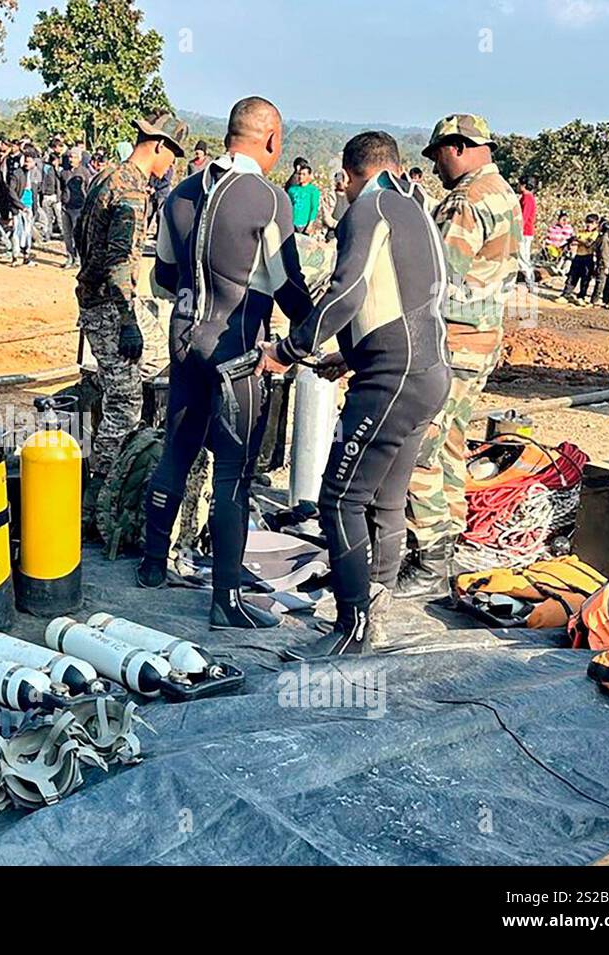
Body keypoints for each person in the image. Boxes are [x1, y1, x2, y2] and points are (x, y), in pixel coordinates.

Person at [259, 132, 451, 653]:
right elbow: (411, 296)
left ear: (346, 176)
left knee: (339, 499)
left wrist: (289, 349)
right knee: (386, 500)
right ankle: (378, 599)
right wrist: (351, 354)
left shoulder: (368, 211)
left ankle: (352, 627)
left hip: (393, 378)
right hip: (429, 371)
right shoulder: (418, 208)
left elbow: (346, 293)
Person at [136, 97, 312, 631]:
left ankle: (150, 566)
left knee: (177, 451)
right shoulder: (268, 198)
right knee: (235, 475)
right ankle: (225, 601)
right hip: (237, 351)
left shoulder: (182, 192)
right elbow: (287, 283)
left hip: (184, 341)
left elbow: (163, 277)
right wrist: (313, 335)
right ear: (272, 141)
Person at [395, 114, 523, 599]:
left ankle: (428, 558)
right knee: (452, 444)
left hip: (453, 342)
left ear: (458, 147)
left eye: (439, 156)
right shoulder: (504, 194)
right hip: (482, 340)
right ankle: (446, 547)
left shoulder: (466, 202)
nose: (436, 168)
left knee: (422, 446)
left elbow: (435, 279)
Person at [76, 113, 186, 503]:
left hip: (95, 297)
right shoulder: (132, 192)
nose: (170, 166)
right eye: (171, 156)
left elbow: (81, 236)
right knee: (125, 402)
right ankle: (101, 495)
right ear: (158, 146)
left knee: (127, 386)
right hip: (111, 304)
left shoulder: (107, 176)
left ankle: (105, 483)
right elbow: (121, 261)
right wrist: (127, 322)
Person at [59, 146, 92, 269]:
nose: (71, 159)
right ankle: (69, 257)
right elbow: (60, 187)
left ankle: (78, 259)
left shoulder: (84, 172)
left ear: (79, 158)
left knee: (76, 234)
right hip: (65, 206)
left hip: (78, 208)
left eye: (73, 157)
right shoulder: (64, 172)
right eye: (70, 157)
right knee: (66, 234)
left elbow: (89, 189)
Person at [563, 213, 599, 301]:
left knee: (585, 278)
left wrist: (577, 239)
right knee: (572, 276)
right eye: (587, 222)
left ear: (596, 224)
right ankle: (566, 294)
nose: (589, 225)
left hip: (588, 257)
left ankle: (581, 296)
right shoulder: (581, 232)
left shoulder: (595, 233)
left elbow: (588, 244)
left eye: (591, 223)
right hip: (578, 256)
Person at [515, 175, 537, 292]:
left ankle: (530, 283)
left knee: (523, 258)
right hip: (524, 232)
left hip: (524, 232)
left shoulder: (527, 198)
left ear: (524, 185)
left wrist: (516, 231)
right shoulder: (525, 197)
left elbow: (523, 217)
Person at [589, 219, 609, 307]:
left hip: (603, 263)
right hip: (604, 264)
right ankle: (595, 300)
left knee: (606, 282)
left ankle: (605, 300)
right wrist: (606, 267)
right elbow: (605, 254)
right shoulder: (606, 240)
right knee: (601, 282)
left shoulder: (602, 238)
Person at [286, 163, 320, 233]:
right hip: (292, 223)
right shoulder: (292, 190)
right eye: (300, 174)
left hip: (304, 224)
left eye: (304, 174)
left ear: (309, 176)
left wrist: (310, 224)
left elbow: (314, 208)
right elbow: (288, 205)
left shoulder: (313, 190)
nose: (301, 176)